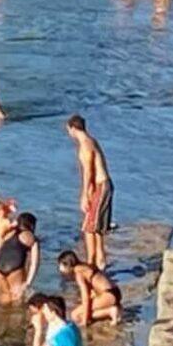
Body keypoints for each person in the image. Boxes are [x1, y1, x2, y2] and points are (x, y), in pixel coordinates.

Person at [66, 115, 113, 268]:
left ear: (72, 128)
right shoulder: (91, 141)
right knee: (97, 226)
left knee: (88, 227)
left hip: (100, 186)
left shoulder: (85, 145)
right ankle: (100, 259)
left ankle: (92, 260)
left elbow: (88, 172)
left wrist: (85, 195)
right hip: (103, 185)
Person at [11, 292, 80, 346]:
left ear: (53, 313)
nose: (43, 313)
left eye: (45, 310)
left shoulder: (58, 336)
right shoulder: (71, 326)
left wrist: (38, 330)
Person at [56, 250, 122, 325]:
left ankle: (110, 312)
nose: (59, 268)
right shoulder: (86, 266)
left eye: (60, 265)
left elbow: (85, 298)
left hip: (108, 295)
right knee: (86, 306)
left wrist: (85, 321)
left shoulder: (79, 274)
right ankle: (115, 308)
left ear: (67, 265)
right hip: (116, 291)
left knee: (75, 315)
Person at [0, 210, 40, 303]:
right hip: (14, 266)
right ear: (32, 226)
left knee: (4, 298)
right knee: (17, 299)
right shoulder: (32, 238)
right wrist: (27, 283)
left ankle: (1, 316)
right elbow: (34, 263)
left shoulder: (9, 234)